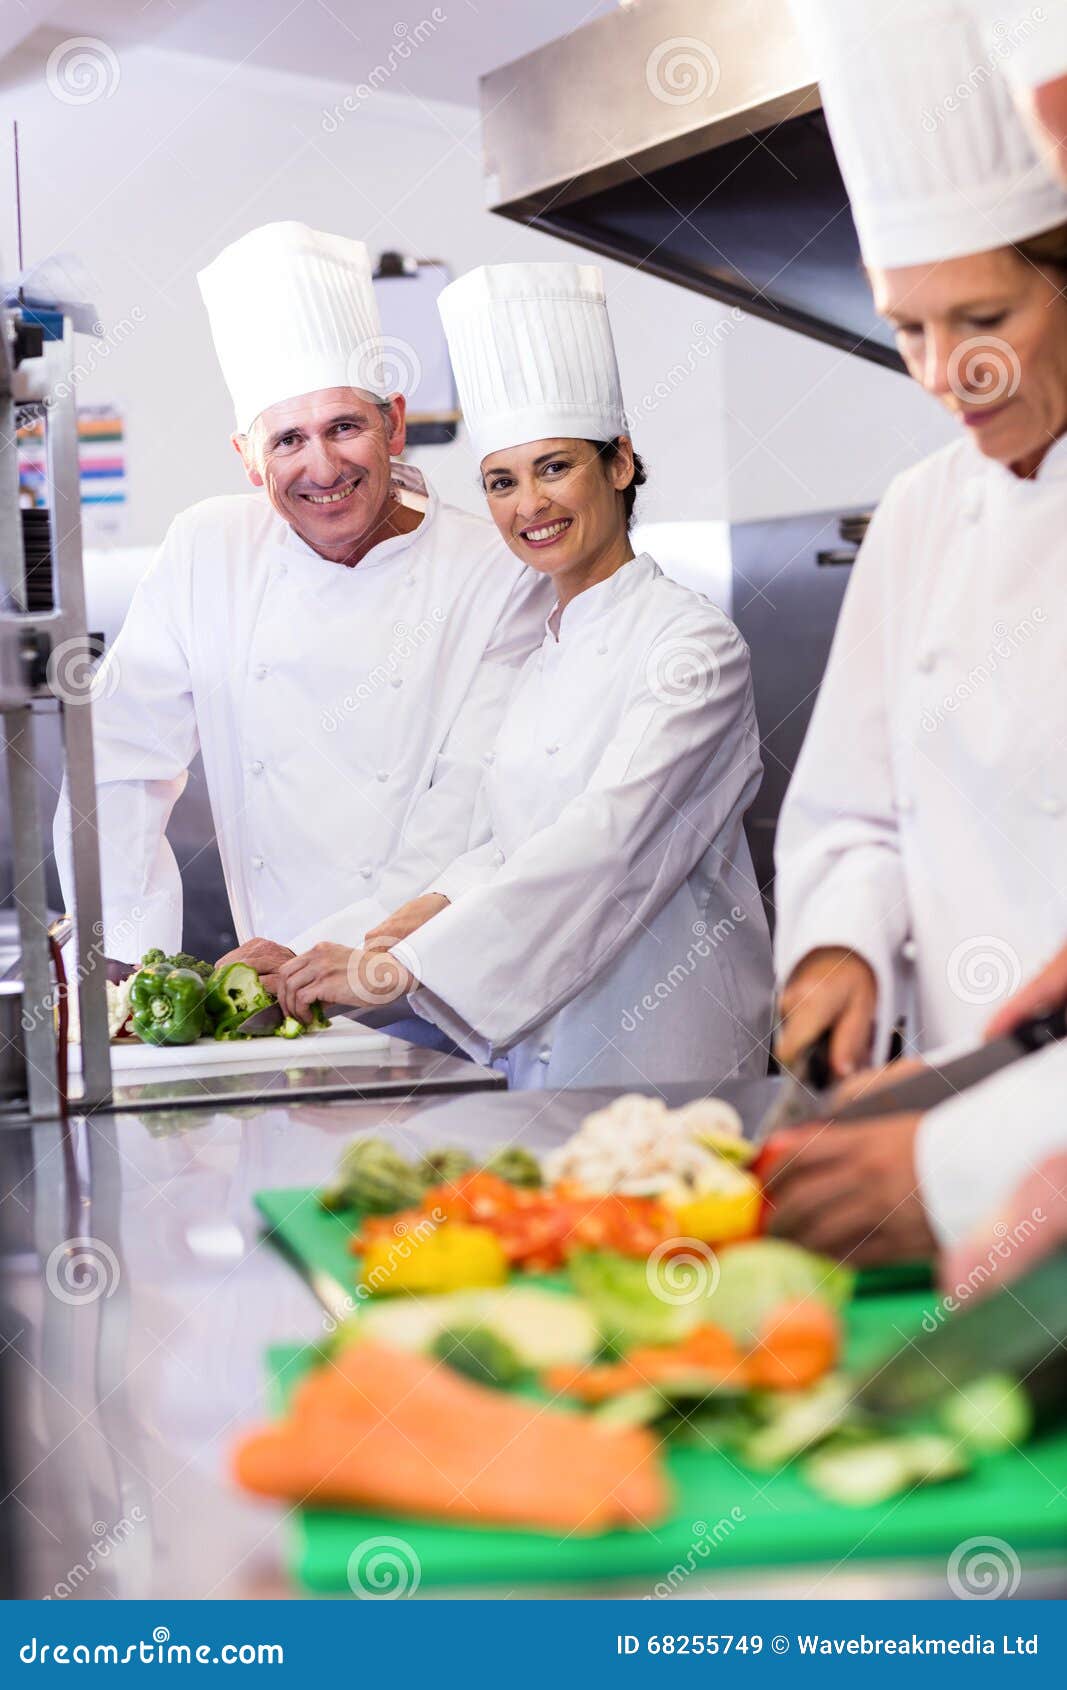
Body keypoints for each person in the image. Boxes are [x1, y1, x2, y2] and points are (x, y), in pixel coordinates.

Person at [275, 262, 774, 1089]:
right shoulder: (537, 656)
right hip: (543, 1061)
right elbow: (500, 848)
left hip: (667, 1055)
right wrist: (358, 947)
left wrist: (410, 968)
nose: (528, 506)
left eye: (554, 468)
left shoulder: (693, 647)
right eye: (501, 483)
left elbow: (608, 842)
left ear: (617, 465)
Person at [54, 223, 550, 1012]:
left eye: (344, 427)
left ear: (392, 419)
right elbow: (122, 758)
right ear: (248, 459)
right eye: (288, 439)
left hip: (440, 983)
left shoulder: (495, 566)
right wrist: (121, 962)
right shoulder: (206, 547)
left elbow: (473, 796)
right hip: (277, 998)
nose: (322, 467)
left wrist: (342, 949)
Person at [761, 3, 1067, 1262]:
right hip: (966, 1110)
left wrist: (967, 1152)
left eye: (984, 320)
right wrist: (838, 946)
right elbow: (856, 807)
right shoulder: (917, 514)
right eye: (907, 328)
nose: (949, 375)